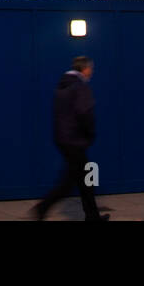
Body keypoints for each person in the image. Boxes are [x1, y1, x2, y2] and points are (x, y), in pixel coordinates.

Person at [32, 56, 107, 221]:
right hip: (75, 141)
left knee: (85, 176)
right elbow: (85, 113)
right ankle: (42, 207)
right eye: (91, 69)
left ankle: (92, 216)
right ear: (85, 69)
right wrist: (90, 134)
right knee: (70, 182)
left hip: (63, 139)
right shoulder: (80, 87)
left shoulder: (62, 85)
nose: (92, 72)